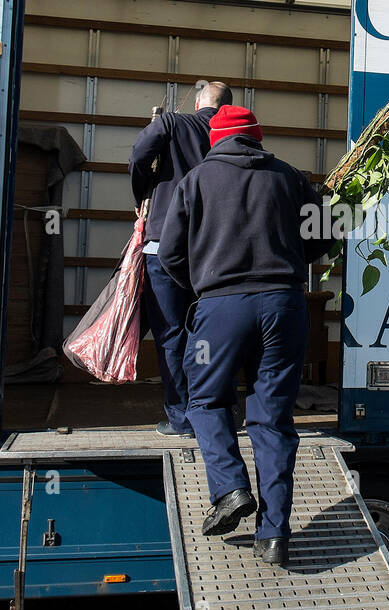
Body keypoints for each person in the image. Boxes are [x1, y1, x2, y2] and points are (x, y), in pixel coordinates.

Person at [160, 105, 334, 565]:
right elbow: (325, 238)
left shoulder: (195, 180)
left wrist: (203, 286)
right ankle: (274, 534)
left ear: (215, 139)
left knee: (205, 400)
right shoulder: (290, 177)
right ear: (256, 137)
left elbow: (170, 255)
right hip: (285, 305)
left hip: (220, 308)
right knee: (272, 420)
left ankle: (231, 487)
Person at [127, 81, 233, 436]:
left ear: (199, 101)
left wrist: (145, 190)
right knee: (216, 334)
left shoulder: (172, 123)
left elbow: (140, 154)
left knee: (172, 333)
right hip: (214, 251)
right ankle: (220, 413)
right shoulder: (231, 135)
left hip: (164, 248)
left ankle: (182, 419)